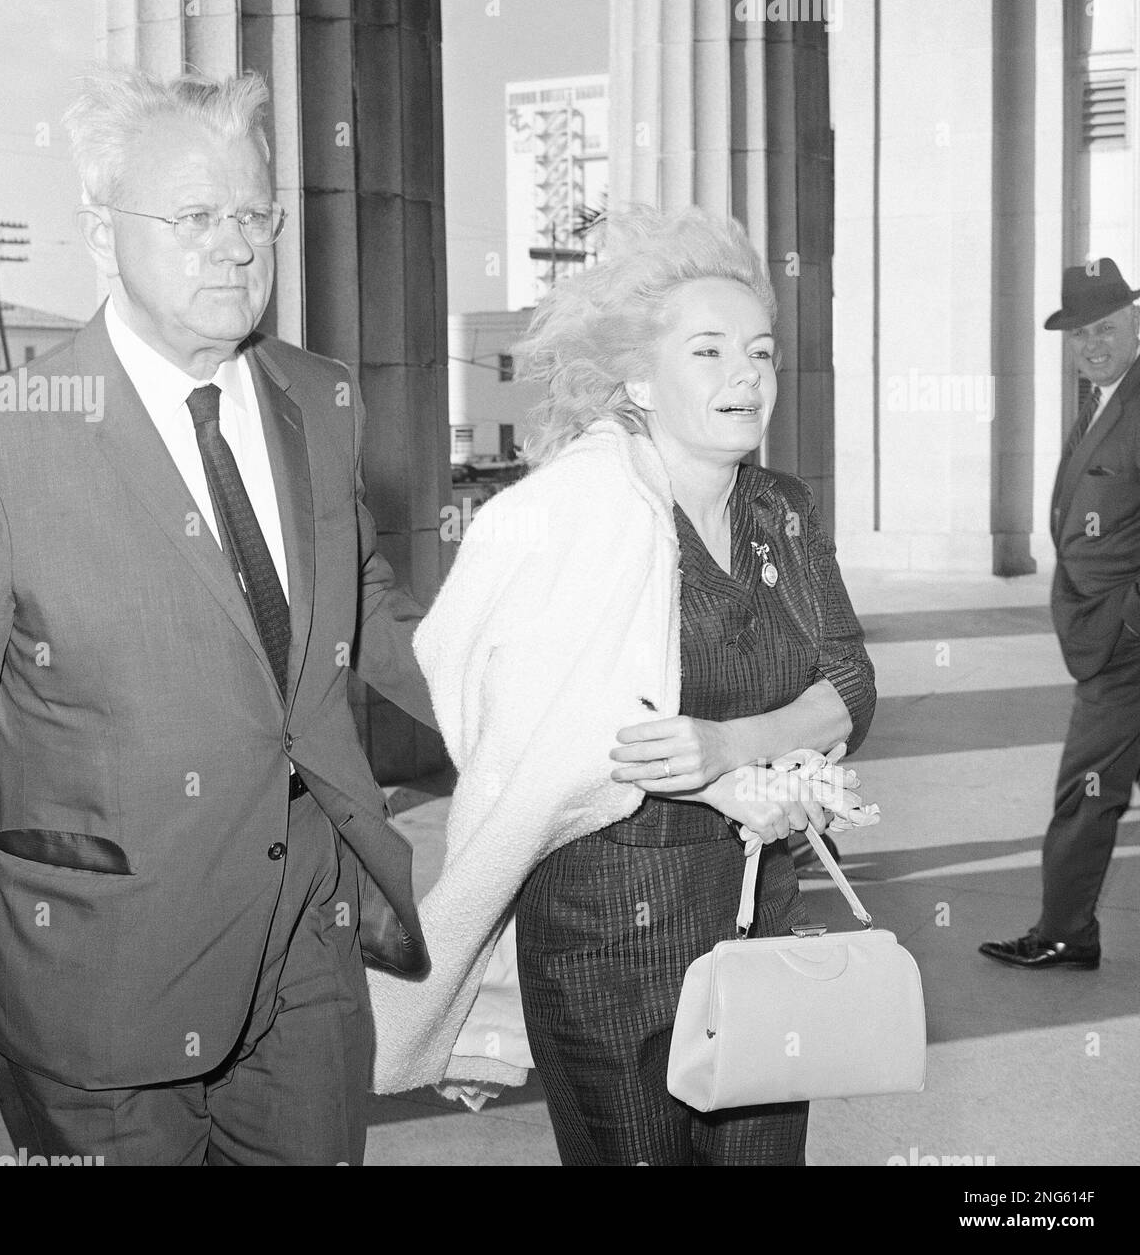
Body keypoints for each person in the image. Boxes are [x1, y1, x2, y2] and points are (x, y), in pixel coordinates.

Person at [0, 68, 438, 1164]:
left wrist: (525, 688)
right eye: (196, 216)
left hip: (302, 947)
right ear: (100, 232)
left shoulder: (322, 400)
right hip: (93, 983)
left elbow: (369, 612)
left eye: (256, 215)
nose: (236, 246)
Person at [368, 207, 876, 1165]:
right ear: (639, 378)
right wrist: (737, 775)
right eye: (711, 350)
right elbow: (547, 729)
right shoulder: (570, 513)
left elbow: (849, 675)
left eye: (762, 353)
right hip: (610, 937)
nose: (747, 377)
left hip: (755, 918)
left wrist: (740, 746)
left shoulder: (786, 513)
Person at [981, 258, 1140, 971]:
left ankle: (1064, 931)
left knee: (1085, 789)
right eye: (1080, 333)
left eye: (1106, 327)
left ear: (1136, 323)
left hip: (1126, 643)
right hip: (1111, 630)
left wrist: (1133, 616)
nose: (1092, 343)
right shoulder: (1106, 398)